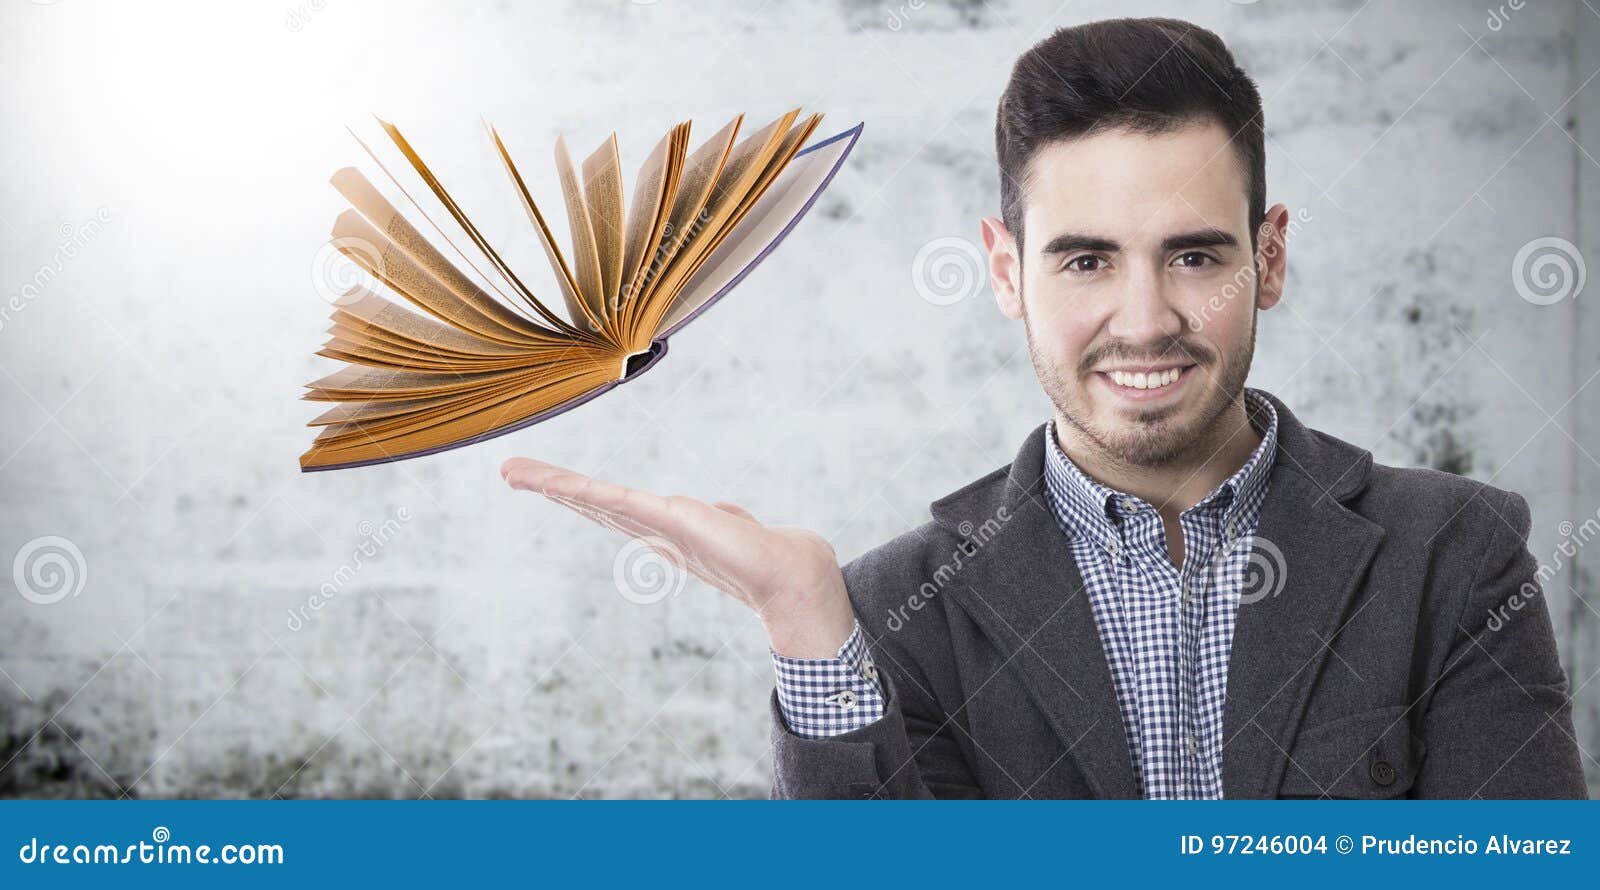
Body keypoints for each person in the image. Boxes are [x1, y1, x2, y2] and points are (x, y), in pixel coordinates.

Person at [501, 17, 1587, 799]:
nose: (1144, 321)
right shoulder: (891, 614)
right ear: (1005, 270)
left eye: (1194, 256)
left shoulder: (1452, 554)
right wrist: (806, 624)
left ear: (1268, 257)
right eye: (1085, 261)